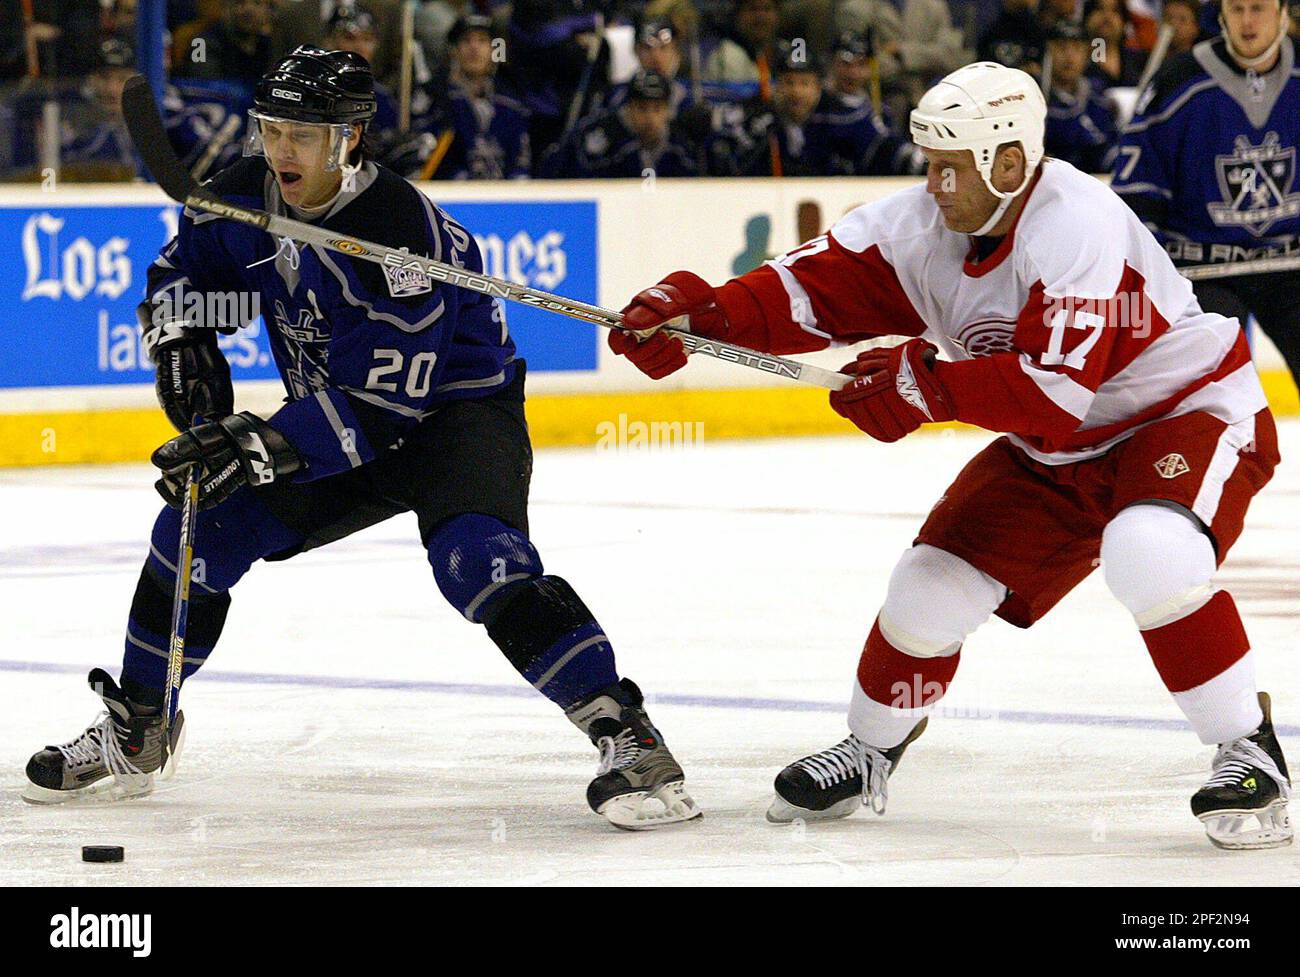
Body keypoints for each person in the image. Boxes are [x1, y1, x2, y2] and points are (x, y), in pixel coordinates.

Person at [609, 61, 1290, 850]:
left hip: (1185, 413)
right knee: (927, 585)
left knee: (1150, 550)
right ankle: (870, 746)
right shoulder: (917, 228)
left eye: (950, 166)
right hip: (1057, 449)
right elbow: (808, 291)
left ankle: (1252, 753)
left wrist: (926, 387)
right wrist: (705, 318)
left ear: (1009, 161)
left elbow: (1054, 390)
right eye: (928, 162)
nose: (933, 183)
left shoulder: (1078, 223)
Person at [23, 47, 700, 832]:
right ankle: (139, 727)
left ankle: (629, 734)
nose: (281, 151)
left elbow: (382, 412)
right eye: (271, 129)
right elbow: (185, 267)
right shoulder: (246, 194)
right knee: (197, 528)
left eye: (302, 136)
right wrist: (181, 337)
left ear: (349, 139)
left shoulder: (397, 238)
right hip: (332, 412)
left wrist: (255, 443)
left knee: (479, 564)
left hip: (454, 418)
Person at [1111, 0, 1300, 388]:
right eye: (1237, 9)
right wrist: (1155, 269)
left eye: (1259, 9)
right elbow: (1135, 188)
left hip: (1291, 265)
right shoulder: (1178, 80)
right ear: (1221, 16)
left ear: (1284, 14)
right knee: (1216, 392)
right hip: (1202, 270)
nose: (1247, 22)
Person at [708, 45, 926, 176]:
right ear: (776, 86)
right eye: (788, 82)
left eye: (804, 84)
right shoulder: (758, 118)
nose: (796, 92)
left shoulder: (843, 117)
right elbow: (724, 153)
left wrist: (915, 159)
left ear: (818, 88)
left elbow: (882, 148)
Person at [425, 14, 531, 180]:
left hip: (503, 197)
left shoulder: (511, 102)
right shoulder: (436, 98)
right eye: (466, 40)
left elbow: (520, 163)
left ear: (493, 50)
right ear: (455, 50)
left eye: (482, 40)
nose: (474, 47)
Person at [540, 70, 700, 178]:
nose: (650, 117)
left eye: (657, 109)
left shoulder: (681, 143)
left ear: (667, 110)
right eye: (642, 108)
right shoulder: (605, 137)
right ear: (629, 109)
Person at [1043, 21, 1118, 171]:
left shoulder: (1098, 96)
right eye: (1062, 48)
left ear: (1086, 54)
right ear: (1048, 52)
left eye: (1077, 48)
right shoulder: (1036, 96)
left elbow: (1109, 146)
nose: (1069, 57)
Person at [173, 0, 273, 86]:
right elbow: (203, 87)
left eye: (257, 3)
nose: (248, 9)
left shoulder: (267, 45)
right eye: (240, 3)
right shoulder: (202, 43)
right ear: (227, 8)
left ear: (268, 12)